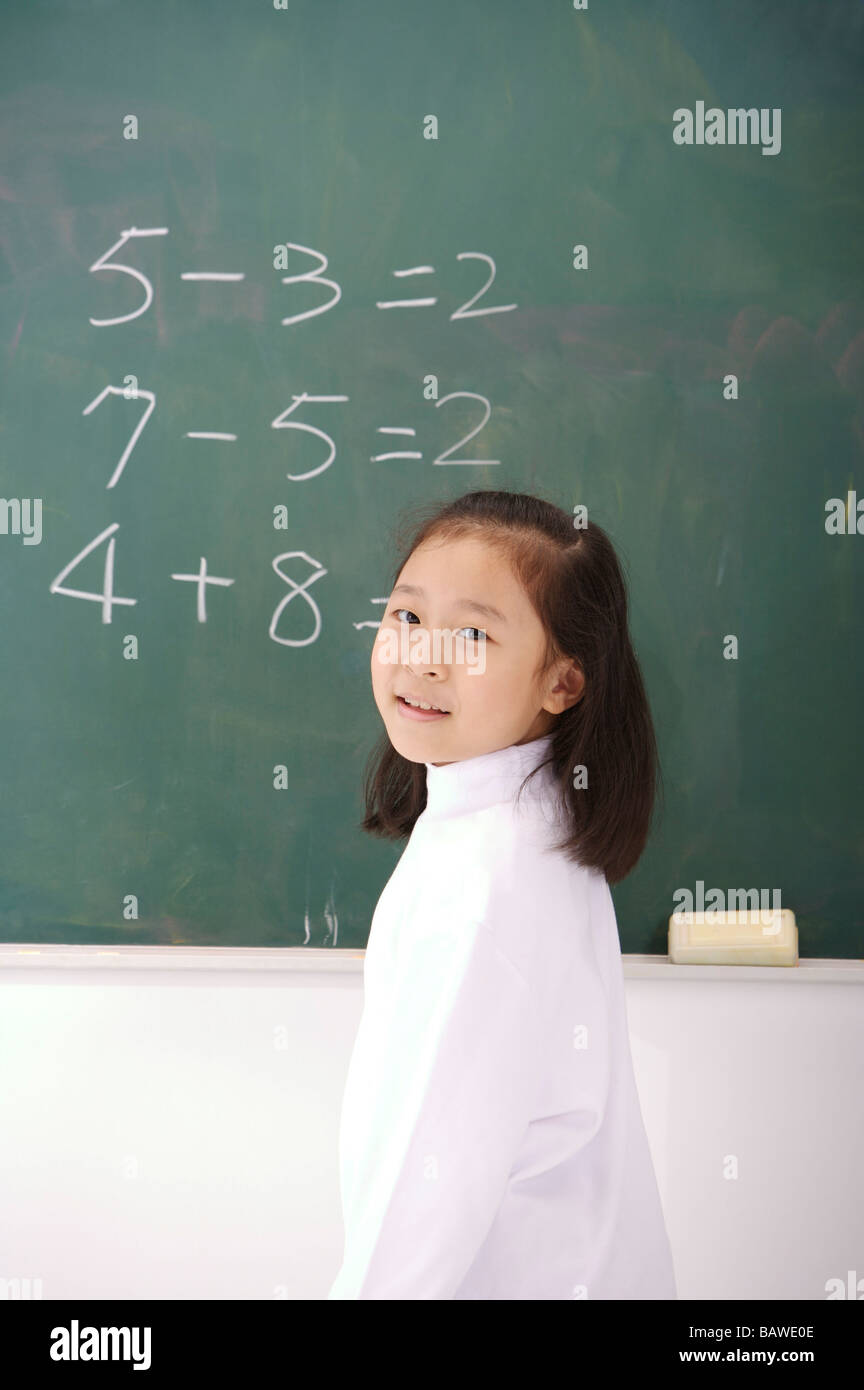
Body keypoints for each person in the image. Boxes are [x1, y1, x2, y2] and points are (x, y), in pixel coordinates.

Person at [327, 489, 677, 1300]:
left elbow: (425, 1197)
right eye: (407, 617)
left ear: (562, 682)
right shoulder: (529, 817)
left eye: (473, 636)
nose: (422, 658)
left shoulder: (483, 883)